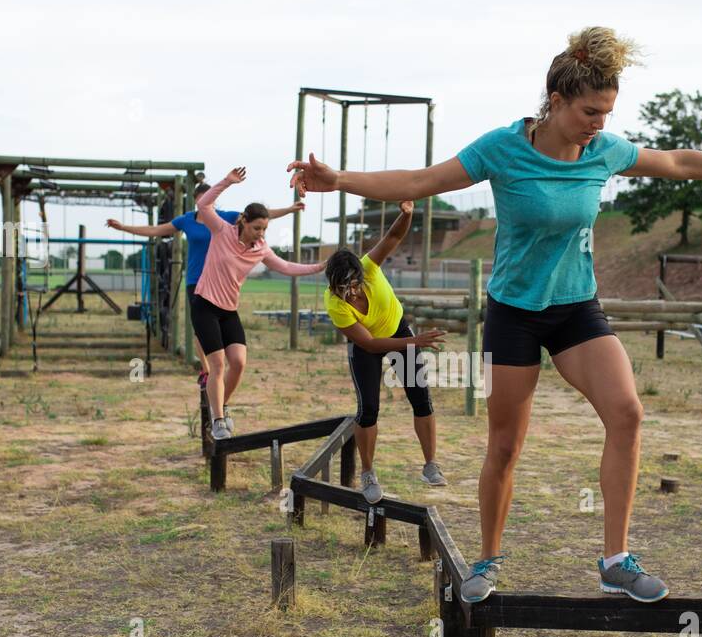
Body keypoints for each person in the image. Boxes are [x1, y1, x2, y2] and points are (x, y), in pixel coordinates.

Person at [289, 26, 702, 604]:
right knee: (507, 446)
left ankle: (615, 560)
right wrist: (339, 180)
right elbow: (420, 180)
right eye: (591, 111)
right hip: (514, 312)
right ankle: (486, 561)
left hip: (576, 309)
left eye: (608, 112)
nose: (600, 124)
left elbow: (679, 162)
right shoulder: (503, 149)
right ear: (556, 100)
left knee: (627, 412)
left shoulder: (604, 152)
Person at [106, 184, 303, 388]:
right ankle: (206, 368)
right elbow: (156, 230)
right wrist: (123, 228)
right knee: (200, 327)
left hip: (221, 282)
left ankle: (215, 371)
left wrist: (289, 209)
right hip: (196, 280)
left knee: (219, 328)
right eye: (201, 199)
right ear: (195, 200)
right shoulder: (187, 220)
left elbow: (260, 215)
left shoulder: (224, 218)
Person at [323, 200, 448, 503]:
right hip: (369, 346)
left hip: (397, 330)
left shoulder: (368, 266)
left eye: (353, 285)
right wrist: (413, 343)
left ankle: (430, 464)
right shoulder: (334, 304)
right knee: (368, 409)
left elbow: (393, 237)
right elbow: (369, 344)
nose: (350, 292)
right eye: (342, 288)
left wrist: (406, 215)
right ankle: (368, 473)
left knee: (421, 398)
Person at [194, 167, 326, 441]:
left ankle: (219, 405)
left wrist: (320, 266)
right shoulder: (222, 231)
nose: (260, 233)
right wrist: (227, 183)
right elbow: (203, 205)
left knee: (239, 362)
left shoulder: (261, 248)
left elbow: (287, 266)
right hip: (204, 304)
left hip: (229, 311)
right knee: (217, 364)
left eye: (264, 229)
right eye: (256, 228)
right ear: (243, 221)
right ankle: (218, 420)